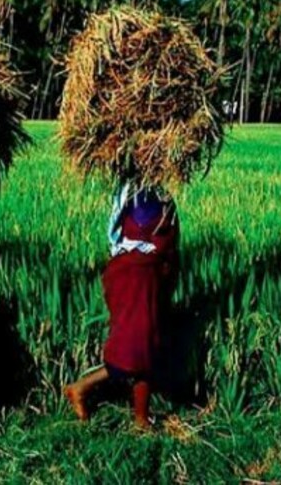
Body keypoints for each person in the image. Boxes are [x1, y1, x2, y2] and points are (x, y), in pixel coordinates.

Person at [64, 182, 179, 429]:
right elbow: (118, 237)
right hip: (132, 278)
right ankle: (82, 387)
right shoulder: (131, 193)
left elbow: (170, 246)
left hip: (147, 279)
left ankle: (141, 418)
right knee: (136, 345)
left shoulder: (163, 196)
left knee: (145, 345)